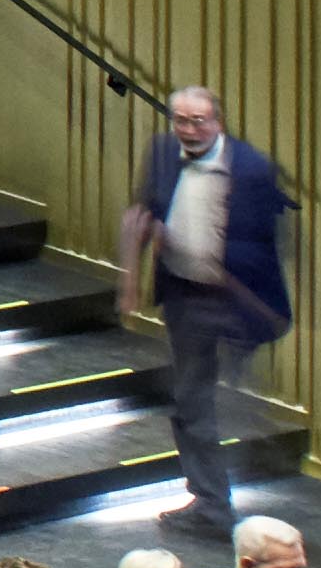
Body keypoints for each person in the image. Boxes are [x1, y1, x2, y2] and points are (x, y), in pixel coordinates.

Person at [124, 85, 292, 544]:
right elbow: (144, 213)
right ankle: (211, 503)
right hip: (186, 297)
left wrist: (253, 300)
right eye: (180, 120)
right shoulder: (163, 154)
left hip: (234, 302)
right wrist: (132, 279)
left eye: (198, 121)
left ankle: (223, 491)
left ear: (218, 122)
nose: (189, 129)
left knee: (212, 400)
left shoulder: (251, 168)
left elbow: (269, 243)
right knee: (191, 402)